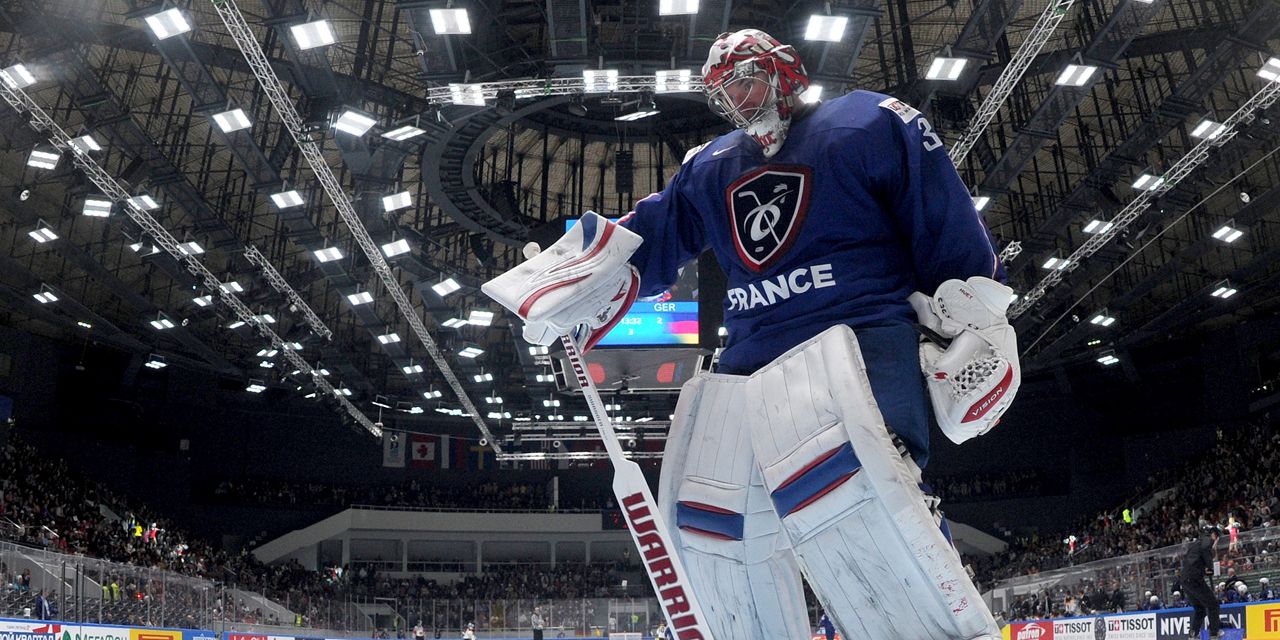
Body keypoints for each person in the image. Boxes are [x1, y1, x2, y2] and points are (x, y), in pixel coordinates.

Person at [483, 28, 1016, 640]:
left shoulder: (869, 121)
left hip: (862, 335)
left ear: (784, 71)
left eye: (743, 79)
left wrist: (977, 316)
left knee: (865, 499)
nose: (735, 100)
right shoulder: (710, 166)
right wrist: (571, 284)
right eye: (722, 91)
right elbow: (649, 237)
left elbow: (940, 214)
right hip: (749, 360)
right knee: (714, 524)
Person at [1180, 526, 1222, 639]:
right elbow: (1206, 551)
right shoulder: (1206, 540)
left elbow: (1194, 560)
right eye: (1217, 537)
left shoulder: (1195, 544)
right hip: (1194, 578)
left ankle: (1193, 634)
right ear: (1213, 534)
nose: (1217, 540)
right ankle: (1214, 633)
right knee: (1213, 604)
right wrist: (1210, 567)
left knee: (1200, 609)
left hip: (1185, 579)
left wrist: (1205, 569)